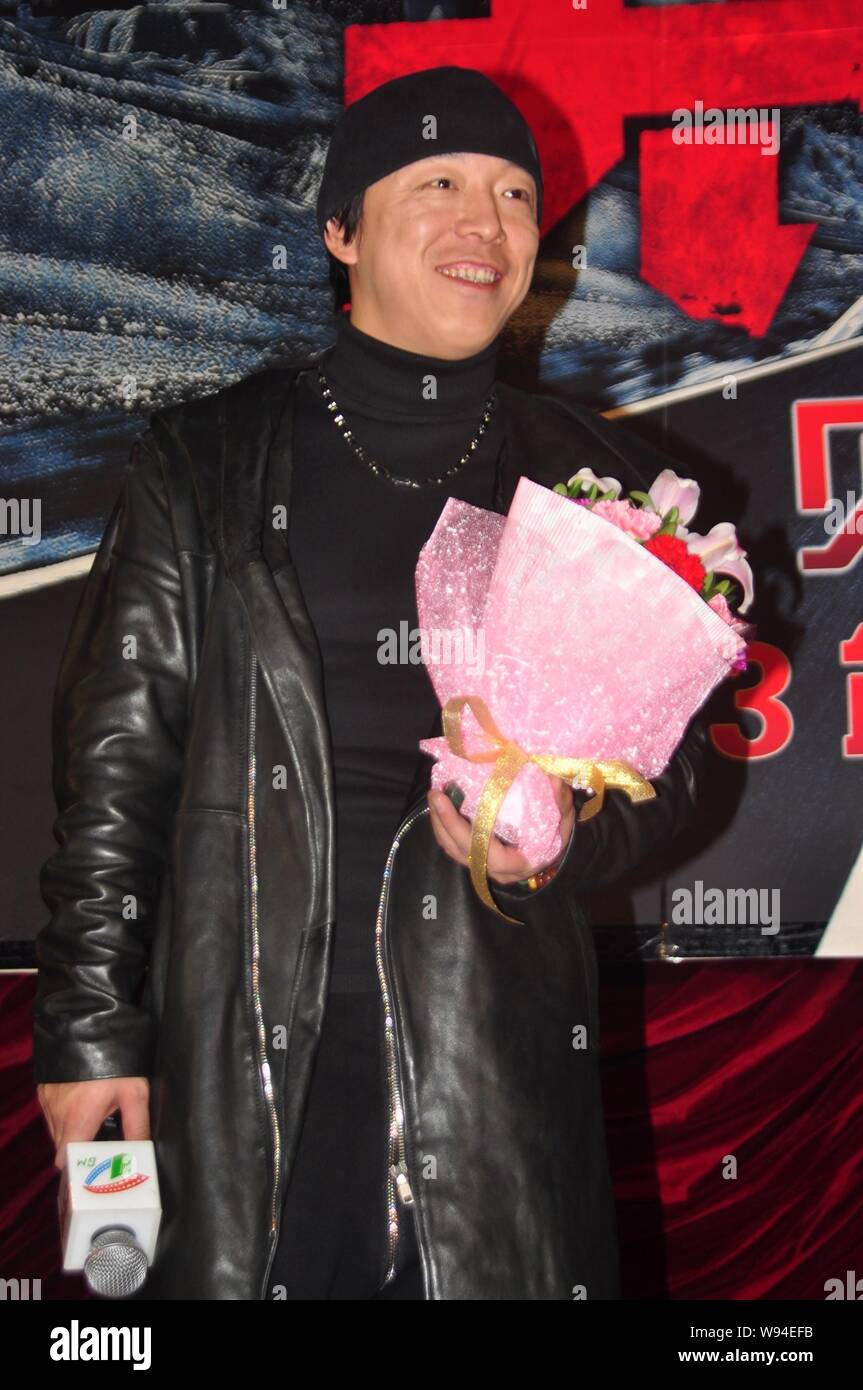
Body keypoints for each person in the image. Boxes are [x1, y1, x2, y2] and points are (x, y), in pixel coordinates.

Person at [33, 66, 708, 1300]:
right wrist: (87, 1028)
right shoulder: (210, 462)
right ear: (340, 230)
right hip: (239, 1058)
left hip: (490, 1065)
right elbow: (114, 768)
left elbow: (681, 772)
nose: (485, 224)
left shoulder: (592, 483)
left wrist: (556, 843)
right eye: (438, 183)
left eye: (514, 193)